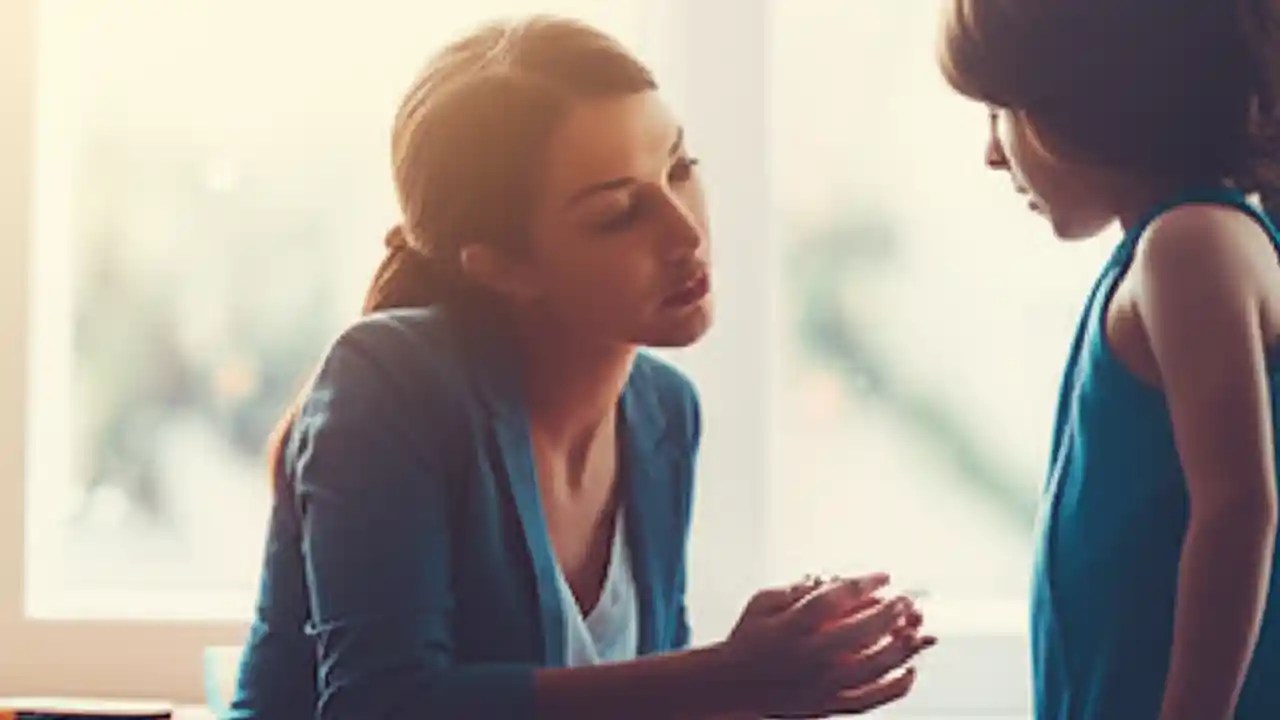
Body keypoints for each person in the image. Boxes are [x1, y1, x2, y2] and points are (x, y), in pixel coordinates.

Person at [230, 16, 934, 720]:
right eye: (621, 213)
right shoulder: (389, 383)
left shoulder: (664, 412)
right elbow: (382, 706)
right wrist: (727, 677)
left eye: (681, 169)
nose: (687, 234)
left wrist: (786, 671)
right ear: (504, 266)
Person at [937, 1, 1280, 717]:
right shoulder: (1164, 249)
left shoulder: (1190, 243)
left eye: (1003, 110)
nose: (993, 154)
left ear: (1092, 100)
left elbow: (1238, 510)